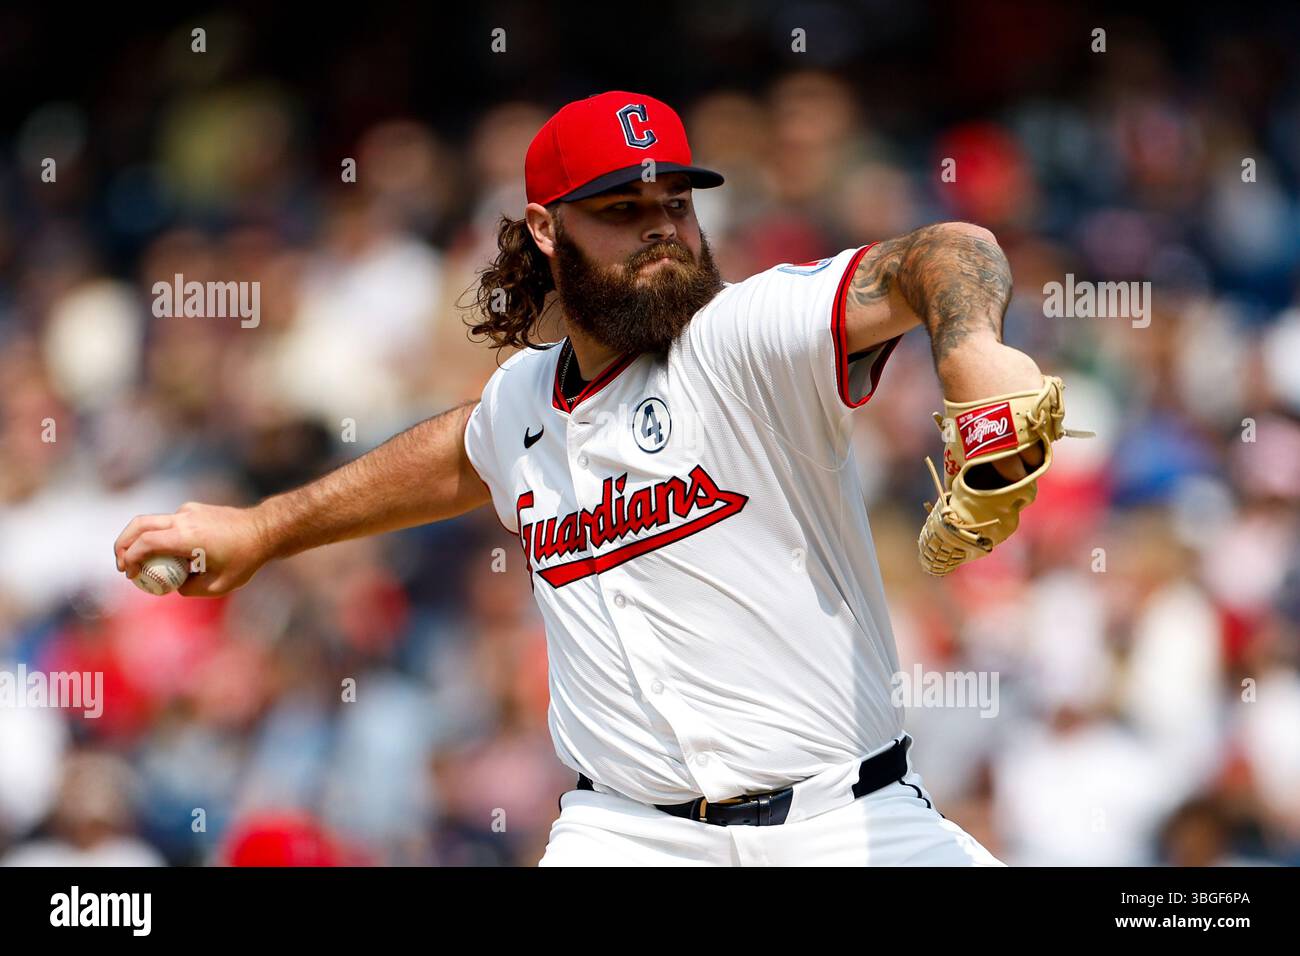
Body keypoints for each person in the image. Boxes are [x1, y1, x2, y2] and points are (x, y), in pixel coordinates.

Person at [116, 90, 1066, 866]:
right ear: (544, 227)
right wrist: (264, 530)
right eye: (622, 211)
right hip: (629, 834)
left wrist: (973, 352)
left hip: (848, 821)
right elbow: (452, 453)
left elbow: (950, 252)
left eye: (675, 205)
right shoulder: (521, 404)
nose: (662, 231)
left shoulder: (743, 338)